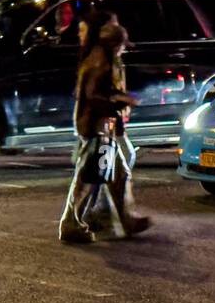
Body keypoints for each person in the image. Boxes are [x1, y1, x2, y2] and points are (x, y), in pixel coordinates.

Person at [59, 19, 150, 244]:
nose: (123, 49)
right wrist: (120, 100)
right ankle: (70, 223)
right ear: (113, 43)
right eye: (121, 44)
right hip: (95, 128)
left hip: (103, 127)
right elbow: (93, 97)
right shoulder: (100, 63)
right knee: (87, 179)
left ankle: (125, 219)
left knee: (117, 174)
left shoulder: (107, 60)